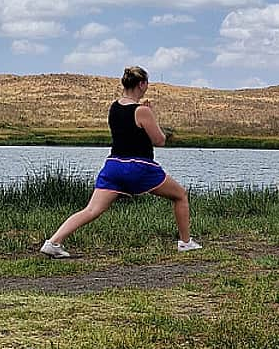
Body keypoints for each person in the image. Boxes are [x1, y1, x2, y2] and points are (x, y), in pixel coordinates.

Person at [40, 66, 201, 258]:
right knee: (180, 195)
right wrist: (151, 115)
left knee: (91, 209)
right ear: (142, 84)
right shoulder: (142, 111)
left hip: (113, 166)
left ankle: (53, 242)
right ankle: (185, 242)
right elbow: (160, 140)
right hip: (139, 167)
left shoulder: (114, 108)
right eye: (147, 83)